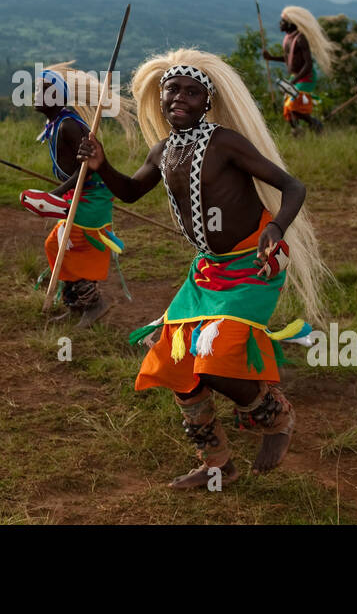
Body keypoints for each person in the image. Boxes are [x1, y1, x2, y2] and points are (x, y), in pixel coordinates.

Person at [78, 49, 329, 489]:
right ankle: (216, 463)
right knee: (176, 361)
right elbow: (132, 191)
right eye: (172, 90)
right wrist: (102, 166)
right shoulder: (163, 150)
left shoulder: (225, 143)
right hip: (207, 273)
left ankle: (275, 416)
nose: (180, 98)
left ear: (207, 102)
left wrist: (276, 226)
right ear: (161, 99)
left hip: (253, 263)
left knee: (216, 363)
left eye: (193, 92)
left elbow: (293, 186)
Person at [18, 63, 135, 326]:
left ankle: (94, 303)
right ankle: (77, 303)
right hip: (77, 194)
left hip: (92, 196)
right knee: (56, 244)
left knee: (74, 245)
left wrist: (56, 193)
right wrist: (61, 192)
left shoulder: (70, 125)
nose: (37, 94)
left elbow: (89, 167)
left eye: (44, 90)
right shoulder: (57, 124)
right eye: (37, 89)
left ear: (59, 97)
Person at [263, 6, 336, 135]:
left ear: (291, 23)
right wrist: (271, 58)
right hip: (295, 78)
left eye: (283, 21)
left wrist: (294, 81)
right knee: (288, 109)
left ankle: (316, 124)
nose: (280, 24)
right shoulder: (288, 38)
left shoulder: (301, 38)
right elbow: (289, 59)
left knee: (293, 106)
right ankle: (298, 131)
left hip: (306, 78)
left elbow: (308, 65)